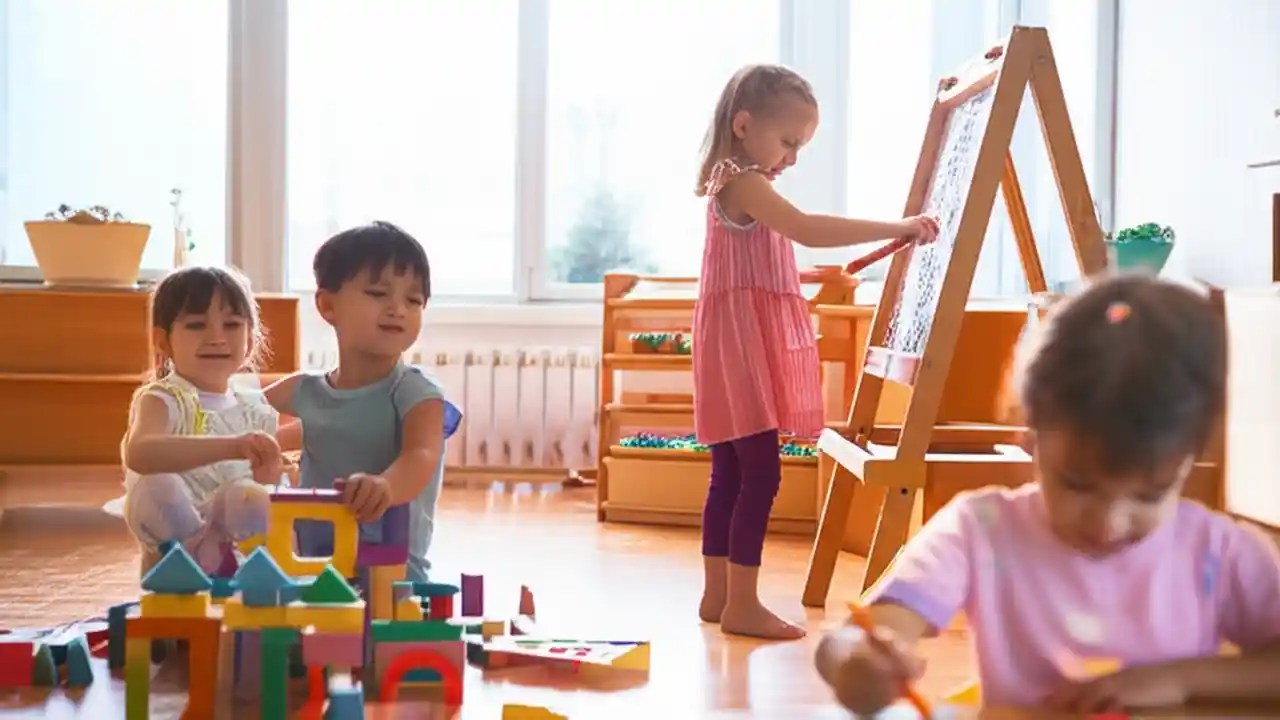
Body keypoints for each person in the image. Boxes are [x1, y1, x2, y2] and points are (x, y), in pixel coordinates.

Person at [815, 274, 1280, 713]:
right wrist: (863, 661)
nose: (1107, 523)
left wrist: (1181, 678)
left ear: (1192, 459)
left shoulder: (1216, 551)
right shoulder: (982, 531)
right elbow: (853, 639)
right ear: (1030, 438)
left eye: (1149, 495)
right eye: (1077, 484)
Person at [693, 63, 939, 640]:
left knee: (729, 470)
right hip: (742, 345)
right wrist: (896, 227)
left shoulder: (732, 184)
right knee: (760, 473)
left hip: (728, 340)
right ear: (744, 124)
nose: (793, 157)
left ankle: (719, 594)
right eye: (789, 142)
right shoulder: (746, 182)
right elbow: (805, 226)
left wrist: (802, 271)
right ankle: (743, 605)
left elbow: (761, 257)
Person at [263, 221, 461, 583]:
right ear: (327, 306)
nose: (397, 309)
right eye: (377, 293)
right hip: (306, 565)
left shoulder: (417, 392)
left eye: (413, 300)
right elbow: (240, 411)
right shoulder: (305, 390)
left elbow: (422, 455)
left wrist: (385, 486)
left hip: (390, 570)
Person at [118, 266, 282, 576]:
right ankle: (199, 559)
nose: (217, 338)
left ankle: (225, 561)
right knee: (157, 483)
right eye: (196, 325)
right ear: (163, 341)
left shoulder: (252, 406)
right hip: (174, 546)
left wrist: (269, 473)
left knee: (250, 492)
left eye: (232, 324)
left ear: (250, 338)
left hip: (233, 551)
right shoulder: (163, 398)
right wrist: (231, 447)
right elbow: (139, 453)